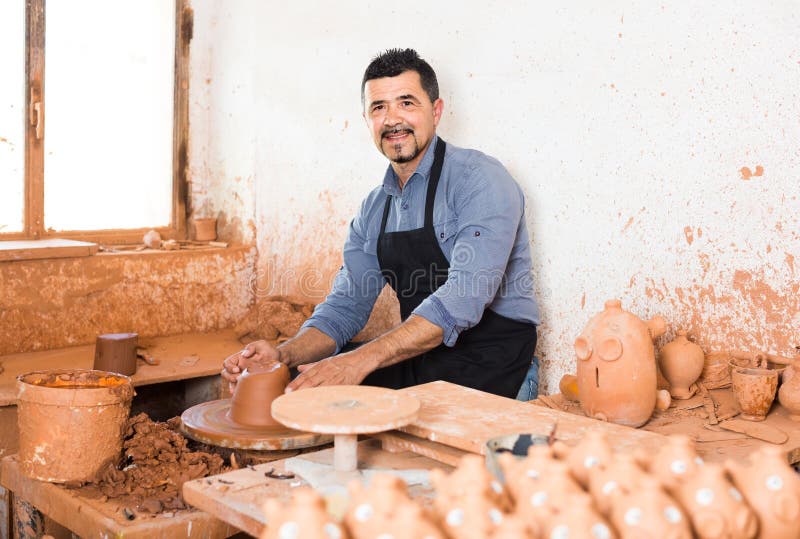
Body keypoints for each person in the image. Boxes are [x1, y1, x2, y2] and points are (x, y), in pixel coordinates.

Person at [223, 48, 540, 398]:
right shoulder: (375, 209)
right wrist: (283, 355)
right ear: (367, 120)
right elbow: (345, 308)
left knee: (352, 378)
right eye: (379, 107)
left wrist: (359, 361)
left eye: (407, 102)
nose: (392, 119)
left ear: (436, 111)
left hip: (493, 366)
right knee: (305, 383)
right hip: (423, 361)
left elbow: (462, 299)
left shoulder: (479, 180)